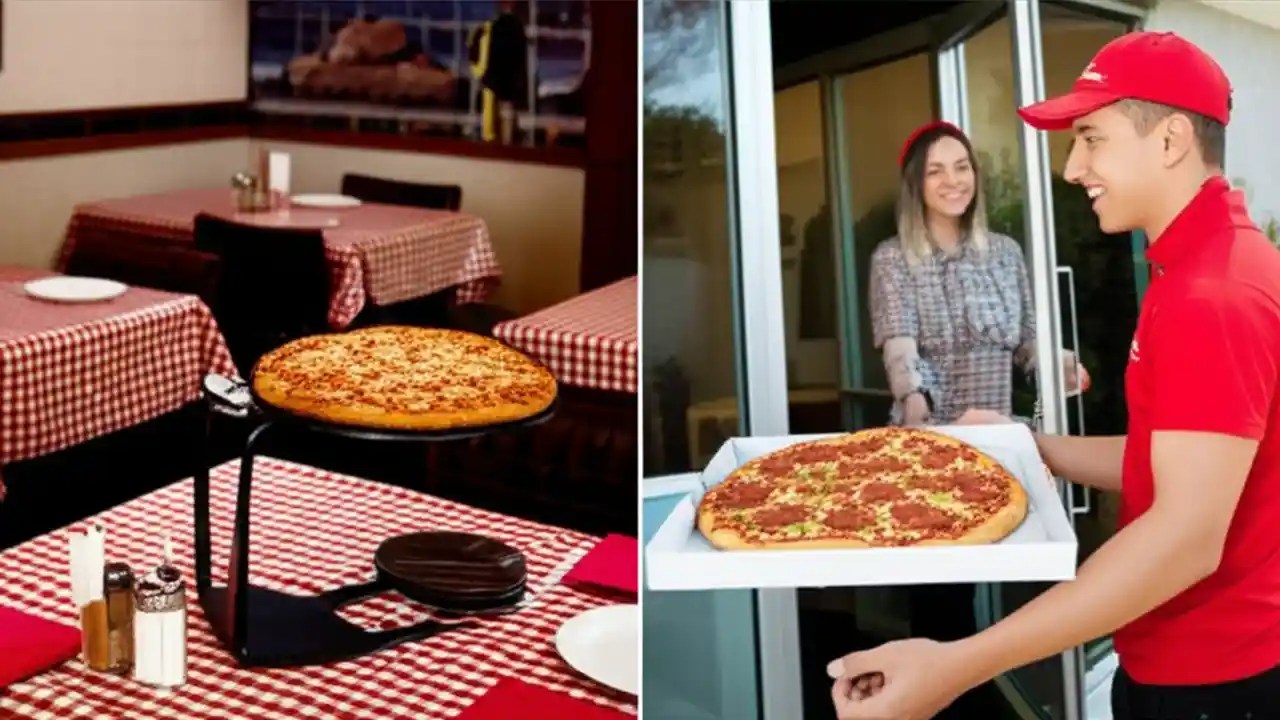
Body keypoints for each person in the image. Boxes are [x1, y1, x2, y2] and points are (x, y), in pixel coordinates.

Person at [828, 31, 1280, 720]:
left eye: (1091, 138)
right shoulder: (1200, 269)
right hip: (1197, 662)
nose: (1072, 168)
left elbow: (1184, 538)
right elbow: (1177, 465)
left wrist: (957, 666)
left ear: (1171, 140)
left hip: (1210, 681)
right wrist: (1028, 446)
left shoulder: (1211, 294)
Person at [869, 121, 1088, 427]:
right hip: (933, 430)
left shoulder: (1005, 253)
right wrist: (914, 402)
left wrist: (1059, 364)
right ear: (915, 183)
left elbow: (1029, 339)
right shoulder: (893, 258)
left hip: (1001, 428)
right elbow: (900, 350)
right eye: (935, 171)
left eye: (962, 167)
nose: (953, 180)